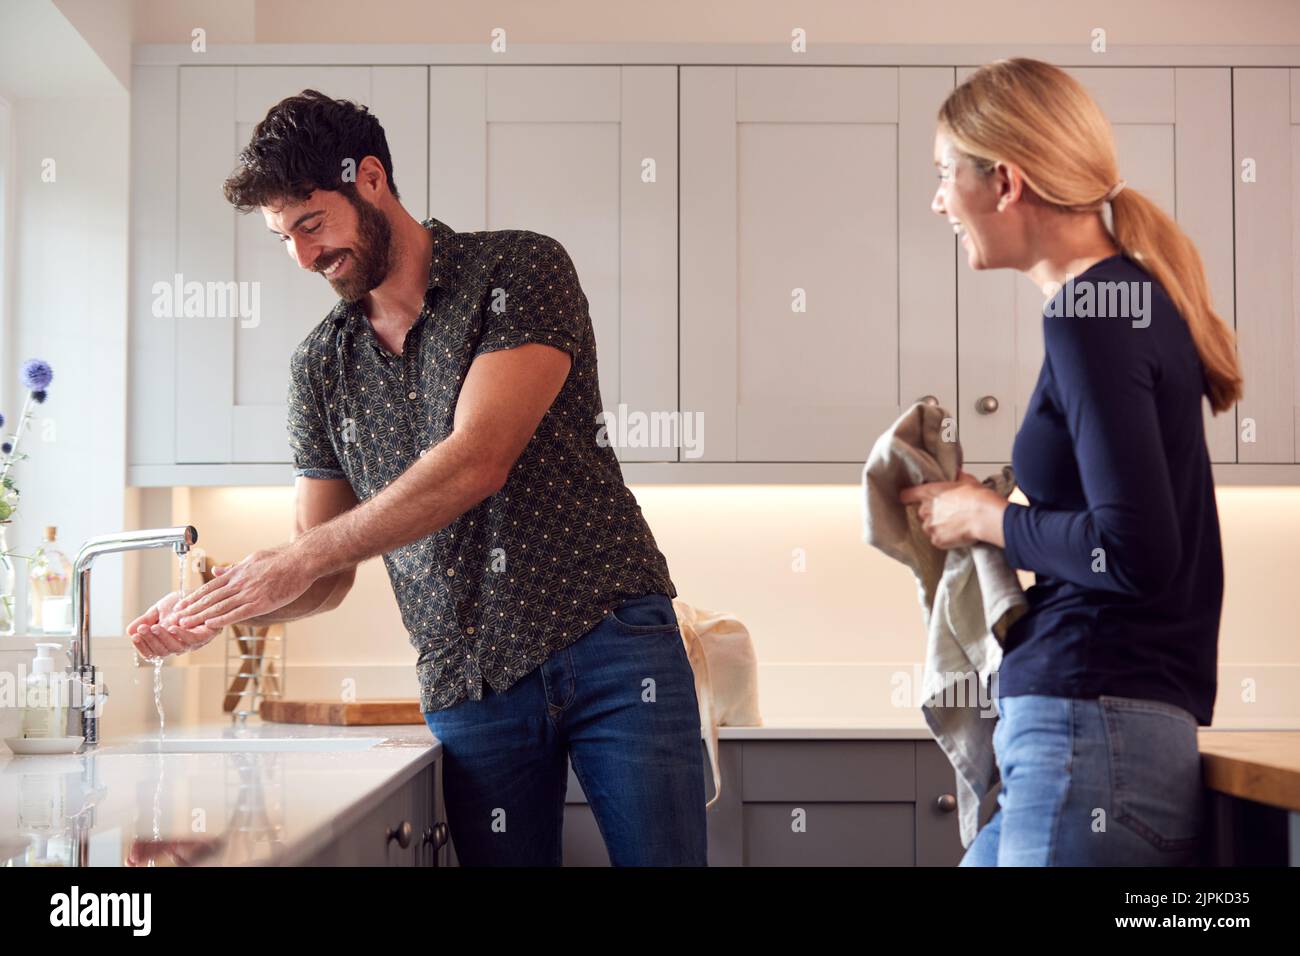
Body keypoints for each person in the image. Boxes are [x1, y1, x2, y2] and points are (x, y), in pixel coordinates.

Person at [127, 90, 707, 866]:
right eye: (281, 237)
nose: (302, 255)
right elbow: (326, 570)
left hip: (610, 643)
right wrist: (221, 604)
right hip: (469, 682)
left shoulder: (519, 269)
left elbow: (479, 459)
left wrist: (300, 557)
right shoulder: (319, 368)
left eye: (310, 223)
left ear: (370, 179)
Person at [901, 58, 1242, 866]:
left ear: (1007, 183)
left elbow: (1136, 552)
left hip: (1090, 725)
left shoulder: (1091, 312)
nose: (940, 199)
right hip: (1099, 731)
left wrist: (987, 518)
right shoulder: (1126, 300)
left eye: (948, 174)